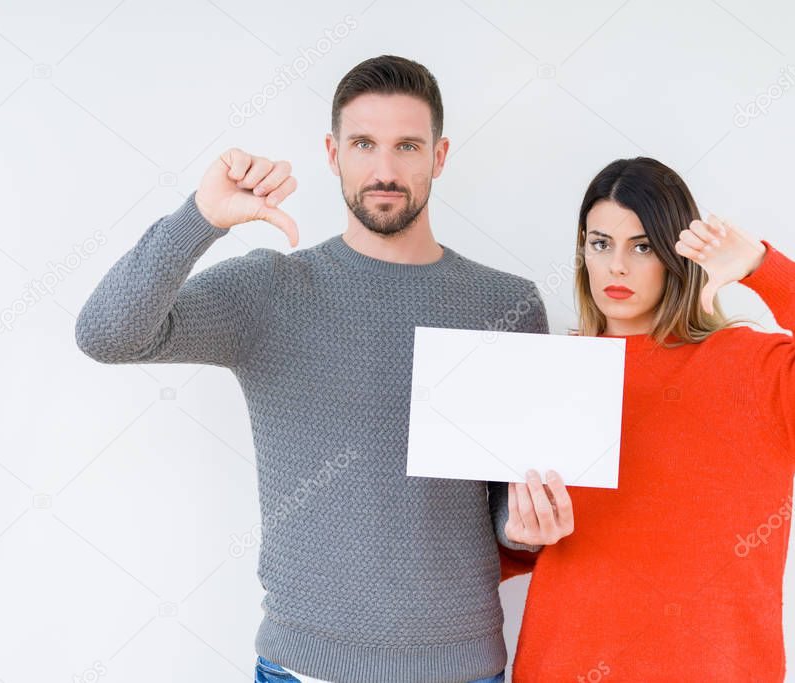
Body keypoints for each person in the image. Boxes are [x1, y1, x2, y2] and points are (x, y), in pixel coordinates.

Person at [75, 54, 571, 683]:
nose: (384, 170)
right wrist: (198, 220)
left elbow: (504, 504)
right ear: (333, 155)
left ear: (439, 157)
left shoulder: (507, 304)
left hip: (462, 667)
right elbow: (106, 335)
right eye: (364, 144)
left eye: (407, 146)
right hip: (303, 668)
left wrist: (527, 528)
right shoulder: (271, 289)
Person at [498, 157, 795, 682]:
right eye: (600, 243)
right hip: (565, 663)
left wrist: (762, 267)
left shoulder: (753, 369)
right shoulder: (549, 374)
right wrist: (517, 536)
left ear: (679, 255)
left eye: (643, 246)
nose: (617, 267)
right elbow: (494, 546)